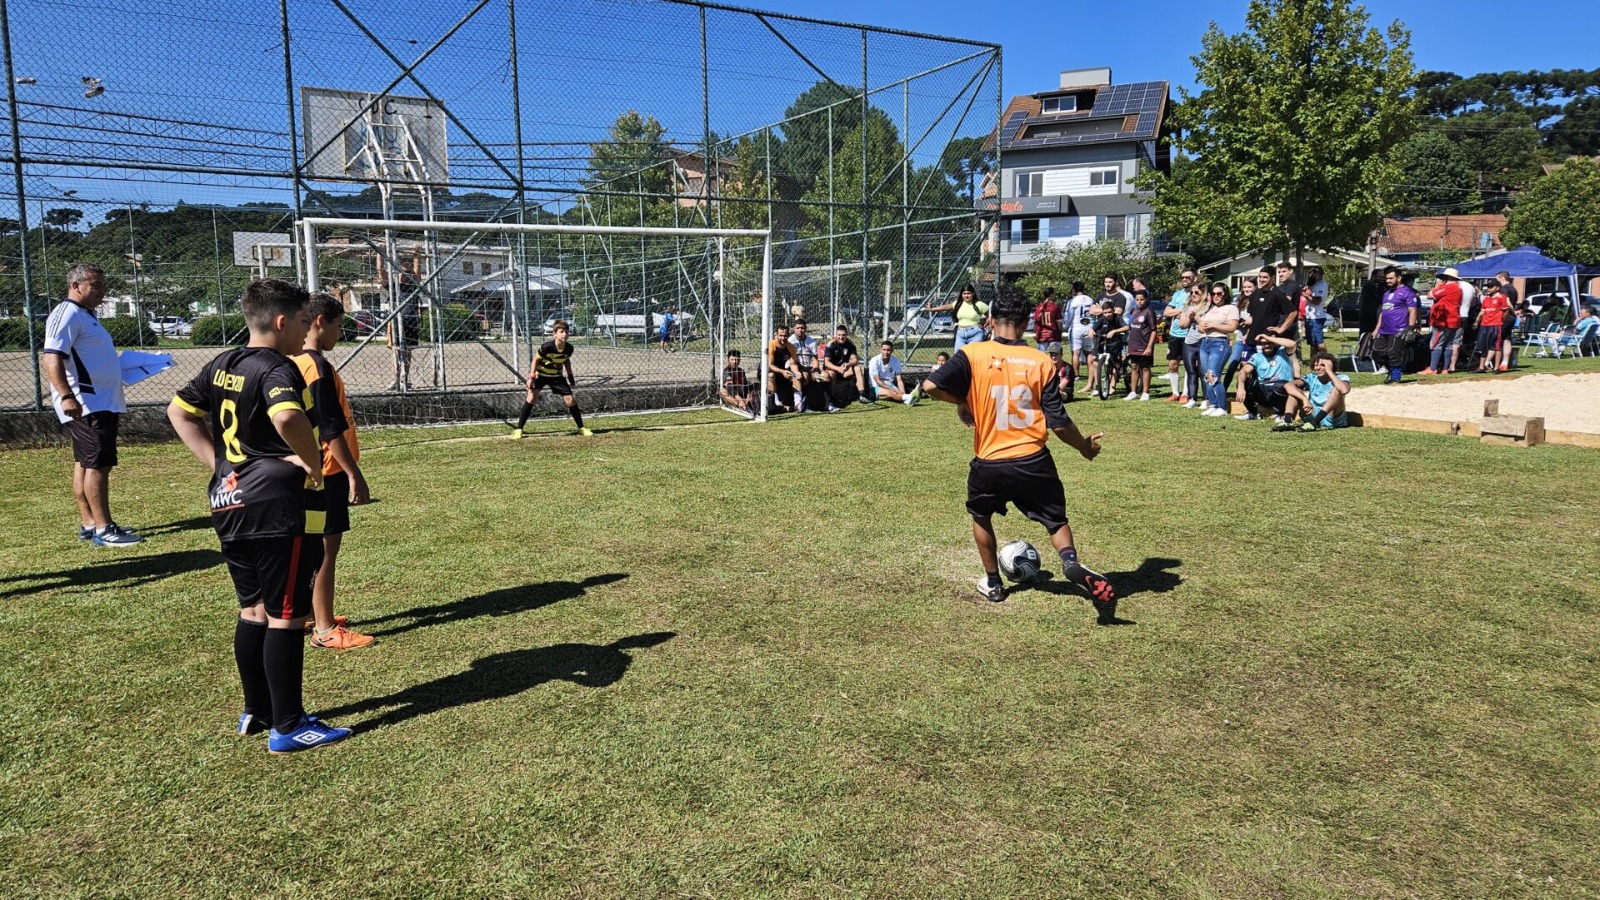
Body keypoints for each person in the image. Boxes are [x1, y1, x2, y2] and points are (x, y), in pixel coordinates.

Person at [166, 278, 350, 754]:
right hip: (277, 507)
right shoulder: (276, 367)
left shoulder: (221, 363)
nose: (307, 331)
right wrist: (312, 465)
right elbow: (287, 417)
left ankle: (258, 710)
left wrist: (224, 467)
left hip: (229, 503)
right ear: (282, 322)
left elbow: (178, 412)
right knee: (287, 615)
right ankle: (288, 726)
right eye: (304, 321)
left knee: (253, 610)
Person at [919, 285, 1119, 622]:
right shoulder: (1041, 361)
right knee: (1056, 521)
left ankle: (994, 583)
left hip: (990, 461)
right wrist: (1084, 447)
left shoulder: (972, 353)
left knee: (981, 516)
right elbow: (1059, 423)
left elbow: (930, 385)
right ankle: (1070, 561)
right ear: (1026, 323)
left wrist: (966, 401)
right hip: (1033, 460)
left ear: (990, 320)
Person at [292, 292, 374, 651]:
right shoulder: (317, 367)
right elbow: (330, 430)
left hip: (311, 469)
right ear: (319, 322)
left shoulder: (295, 361)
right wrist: (353, 473)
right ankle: (325, 629)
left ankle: (311, 613)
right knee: (326, 548)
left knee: (312, 546)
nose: (340, 334)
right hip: (328, 470)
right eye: (339, 326)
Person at [42, 263, 143, 547]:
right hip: (88, 403)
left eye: (103, 285)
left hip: (101, 401)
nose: (102, 291)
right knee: (98, 465)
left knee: (85, 463)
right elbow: (51, 358)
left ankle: (89, 523)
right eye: (95, 285)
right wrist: (67, 396)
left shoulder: (86, 315)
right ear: (76, 285)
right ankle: (104, 528)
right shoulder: (66, 314)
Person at [511, 321, 592, 438]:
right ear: (554, 334)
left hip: (556, 377)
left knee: (570, 400)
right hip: (541, 375)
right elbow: (535, 360)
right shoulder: (546, 347)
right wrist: (531, 377)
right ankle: (519, 429)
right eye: (561, 332)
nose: (565, 334)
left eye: (567, 332)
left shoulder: (569, 348)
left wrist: (570, 376)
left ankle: (581, 428)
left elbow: (566, 360)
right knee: (531, 398)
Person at [1193, 283, 1239, 417]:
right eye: (1213, 294)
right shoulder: (1209, 308)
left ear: (1225, 294)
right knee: (1206, 375)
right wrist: (1202, 326)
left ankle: (1222, 407)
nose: (1216, 296)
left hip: (1219, 343)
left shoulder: (1231, 308)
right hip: (1205, 342)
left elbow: (1232, 327)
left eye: (1219, 293)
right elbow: (1200, 327)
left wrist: (1213, 325)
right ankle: (1213, 404)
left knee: (1213, 375)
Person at [1373, 266, 1419, 384]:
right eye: (1386, 278)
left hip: (1398, 329)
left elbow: (1413, 310)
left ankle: (1395, 376)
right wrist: (1377, 328)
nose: (1388, 281)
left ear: (1398, 278)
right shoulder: (1387, 293)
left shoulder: (1407, 292)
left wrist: (1411, 328)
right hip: (1384, 329)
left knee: (1394, 352)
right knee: (1377, 351)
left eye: (1390, 278)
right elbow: (1383, 311)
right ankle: (1389, 369)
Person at [1283, 351, 1351, 431]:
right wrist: (1304, 399)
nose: (1318, 368)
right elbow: (1288, 385)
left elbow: (1344, 390)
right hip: (1312, 414)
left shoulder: (1341, 377)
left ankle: (1314, 423)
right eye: (1316, 365)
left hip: (1333, 418)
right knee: (1294, 392)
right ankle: (1287, 422)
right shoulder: (1312, 377)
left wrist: (1329, 371)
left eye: (1323, 365)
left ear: (1331, 366)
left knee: (1337, 389)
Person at [1239, 340, 1295, 424]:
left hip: (1280, 393)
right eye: (1264, 344)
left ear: (1275, 343)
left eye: (1269, 343)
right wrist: (1241, 387)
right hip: (1263, 393)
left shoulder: (1283, 353)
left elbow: (1293, 344)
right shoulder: (1257, 356)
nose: (1266, 346)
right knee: (1243, 380)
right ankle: (1253, 413)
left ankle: (1280, 415)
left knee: (1281, 385)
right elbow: (1244, 371)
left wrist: (1267, 337)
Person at [1163, 269, 1196, 403]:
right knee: (1172, 364)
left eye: (1188, 277)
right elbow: (1167, 312)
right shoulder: (1177, 294)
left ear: (1194, 278)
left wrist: (1179, 313)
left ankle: (1185, 394)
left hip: (1189, 334)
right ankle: (1175, 393)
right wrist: (1182, 311)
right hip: (1174, 334)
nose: (1184, 279)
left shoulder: (1196, 293)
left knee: (1188, 365)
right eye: (1183, 277)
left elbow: (1196, 310)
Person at [927, 283, 989, 353]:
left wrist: (984, 323)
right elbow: (946, 307)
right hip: (960, 334)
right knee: (958, 356)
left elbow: (991, 314)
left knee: (972, 356)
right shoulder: (958, 304)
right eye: (964, 293)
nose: (966, 296)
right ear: (961, 294)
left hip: (975, 334)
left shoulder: (979, 304)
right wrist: (932, 309)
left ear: (973, 294)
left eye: (969, 293)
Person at [1424, 268, 1463, 375]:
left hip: (1443, 320)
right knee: (1448, 344)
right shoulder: (1458, 288)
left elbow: (1430, 295)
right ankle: (1445, 368)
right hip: (1454, 319)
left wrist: (1437, 286)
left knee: (1436, 343)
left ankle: (1433, 368)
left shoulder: (1448, 287)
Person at [1087, 302, 1127, 400]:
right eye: (1105, 313)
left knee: (1113, 365)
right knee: (1096, 362)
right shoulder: (1101, 319)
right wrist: (1091, 331)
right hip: (1103, 342)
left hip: (1115, 342)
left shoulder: (1118, 318)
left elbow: (1126, 327)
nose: (1107, 314)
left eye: (1109, 312)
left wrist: (1114, 331)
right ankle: (1099, 387)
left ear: (1113, 310)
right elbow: (1093, 327)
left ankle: (1112, 385)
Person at [1064, 281, 1096, 401]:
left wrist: (1066, 326)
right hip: (1088, 326)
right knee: (1089, 353)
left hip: (1077, 326)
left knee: (1076, 352)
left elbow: (1069, 315)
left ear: (1074, 289)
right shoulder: (1090, 299)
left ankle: (1076, 375)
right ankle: (1090, 376)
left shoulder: (1072, 301)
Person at [1124, 289, 1157, 400]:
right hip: (1134, 344)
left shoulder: (1149, 312)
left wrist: (1149, 347)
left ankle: (1145, 392)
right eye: (1137, 299)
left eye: (1141, 299)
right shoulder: (1134, 311)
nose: (1139, 302)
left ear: (1146, 299)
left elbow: (1153, 331)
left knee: (1145, 368)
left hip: (1144, 345)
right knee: (1134, 367)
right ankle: (1133, 391)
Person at [823, 324, 867, 406]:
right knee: (832, 374)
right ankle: (833, 398)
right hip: (832, 369)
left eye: (843, 335)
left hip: (844, 370)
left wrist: (849, 364)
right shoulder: (831, 344)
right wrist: (838, 368)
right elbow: (826, 362)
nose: (841, 337)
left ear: (847, 334)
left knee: (857, 368)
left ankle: (862, 395)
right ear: (836, 335)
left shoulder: (850, 344)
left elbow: (855, 360)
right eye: (839, 335)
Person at [765, 322, 803, 413]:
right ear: (776, 335)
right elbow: (770, 365)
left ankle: (798, 404)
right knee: (771, 375)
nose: (783, 338)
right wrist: (782, 371)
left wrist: (797, 373)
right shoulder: (771, 344)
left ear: (788, 335)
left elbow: (793, 364)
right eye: (781, 335)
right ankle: (776, 402)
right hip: (767, 371)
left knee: (796, 377)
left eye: (785, 336)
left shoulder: (791, 347)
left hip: (781, 371)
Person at [1475, 281, 1512, 372]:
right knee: (1483, 346)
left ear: (1497, 288)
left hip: (1495, 324)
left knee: (1496, 346)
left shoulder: (1501, 297)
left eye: (1491, 287)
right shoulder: (1486, 298)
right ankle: (1481, 367)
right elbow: (1482, 311)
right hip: (1484, 324)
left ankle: (1496, 367)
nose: (1488, 288)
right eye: (1488, 287)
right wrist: (1476, 322)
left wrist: (1500, 320)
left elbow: (1506, 310)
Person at [868, 341, 918, 405]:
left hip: (889, 385)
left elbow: (899, 380)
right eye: (884, 350)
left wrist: (902, 392)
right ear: (880, 350)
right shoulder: (874, 361)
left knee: (893, 394)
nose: (886, 352)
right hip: (875, 387)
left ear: (892, 350)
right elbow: (878, 382)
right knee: (891, 393)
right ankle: (911, 397)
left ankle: (906, 399)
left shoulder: (896, 361)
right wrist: (893, 390)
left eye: (888, 350)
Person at [789, 319, 824, 412]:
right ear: (794, 329)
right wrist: (799, 371)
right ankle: (799, 405)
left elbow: (815, 359)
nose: (800, 330)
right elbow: (791, 361)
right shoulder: (790, 341)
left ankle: (827, 403)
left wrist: (816, 370)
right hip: (794, 367)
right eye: (798, 328)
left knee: (822, 377)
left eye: (802, 328)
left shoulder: (811, 342)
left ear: (806, 329)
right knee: (804, 376)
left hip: (808, 368)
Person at [386, 295, 419, 392]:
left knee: (406, 350)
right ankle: (397, 378)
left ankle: (403, 379)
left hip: (408, 316)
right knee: (397, 349)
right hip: (397, 315)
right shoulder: (393, 288)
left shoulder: (411, 288)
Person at [1496, 271, 1520, 370]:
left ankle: (1495, 362)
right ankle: (1505, 362)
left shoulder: (1504, 289)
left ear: (1502, 278)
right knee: (1507, 339)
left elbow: (1507, 301)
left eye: (1497, 279)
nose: (1496, 281)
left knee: (1498, 339)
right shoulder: (1513, 289)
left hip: (1505, 316)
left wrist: (1513, 311)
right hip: (1511, 318)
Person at [1301, 283, 1331, 357]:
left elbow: (1317, 301)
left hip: (1316, 318)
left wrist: (1303, 294)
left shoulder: (1321, 284)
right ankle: (1313, 361)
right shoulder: (1314, 284)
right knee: (1313, 343)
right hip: (1310, 317)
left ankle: (1326, 359)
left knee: (1319, 342)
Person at [1032, 286, 1064, 357]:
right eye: (1054, 293)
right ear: (1051, 294)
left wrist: (1035, 333)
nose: (1055, 295)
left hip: (1041, 336)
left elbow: (1036, 322)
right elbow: (1059, 323)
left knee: (1041, 357)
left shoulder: (1038, 308)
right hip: (1054, 335)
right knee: (1054, 357)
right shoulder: (1055, 307)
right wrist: (1060, 333)